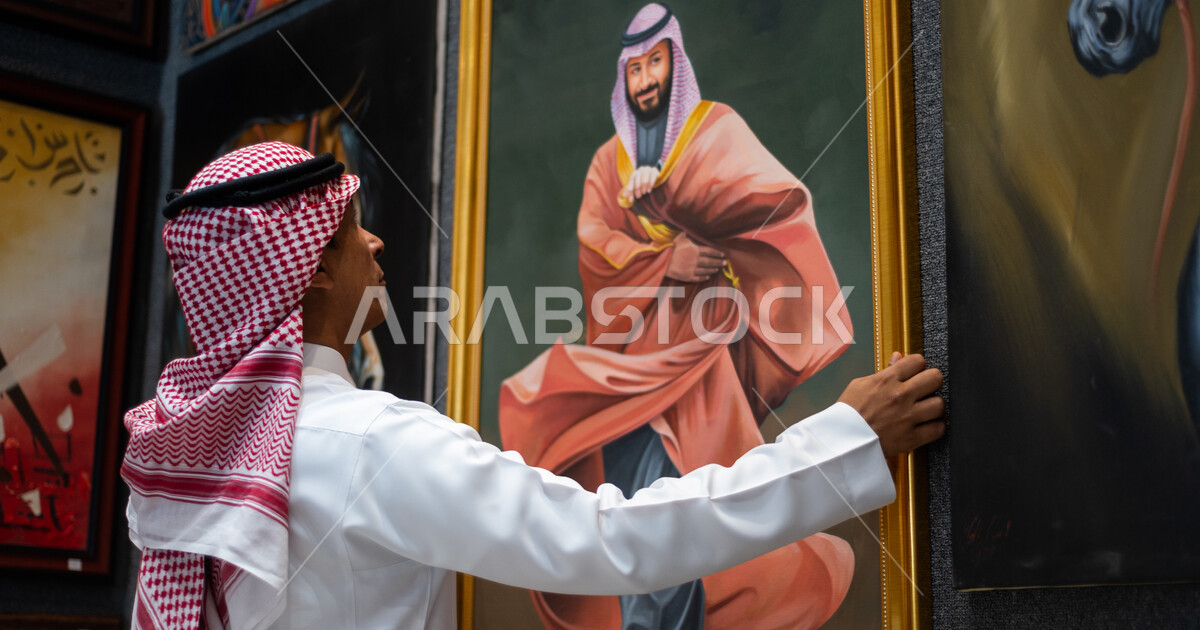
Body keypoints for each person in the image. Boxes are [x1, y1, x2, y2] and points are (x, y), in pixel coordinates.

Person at [122, 141, 944, 630]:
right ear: (304, 272)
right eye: (346, 232)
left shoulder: (194, 454)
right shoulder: (365, 445)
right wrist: (842, 442)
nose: (374, 245)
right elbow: (609, 541)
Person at [498, 4, 859, 628]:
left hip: (703, 364)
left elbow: (766, 210)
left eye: (654, 64)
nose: (644, 82)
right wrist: (666, 259)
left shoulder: (716, 132)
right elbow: (594, 246)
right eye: (633, 69)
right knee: (635, 514)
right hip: (630, 371)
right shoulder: (605, 165)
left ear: (675, 62)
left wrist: (683, 214)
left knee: (702, 507)